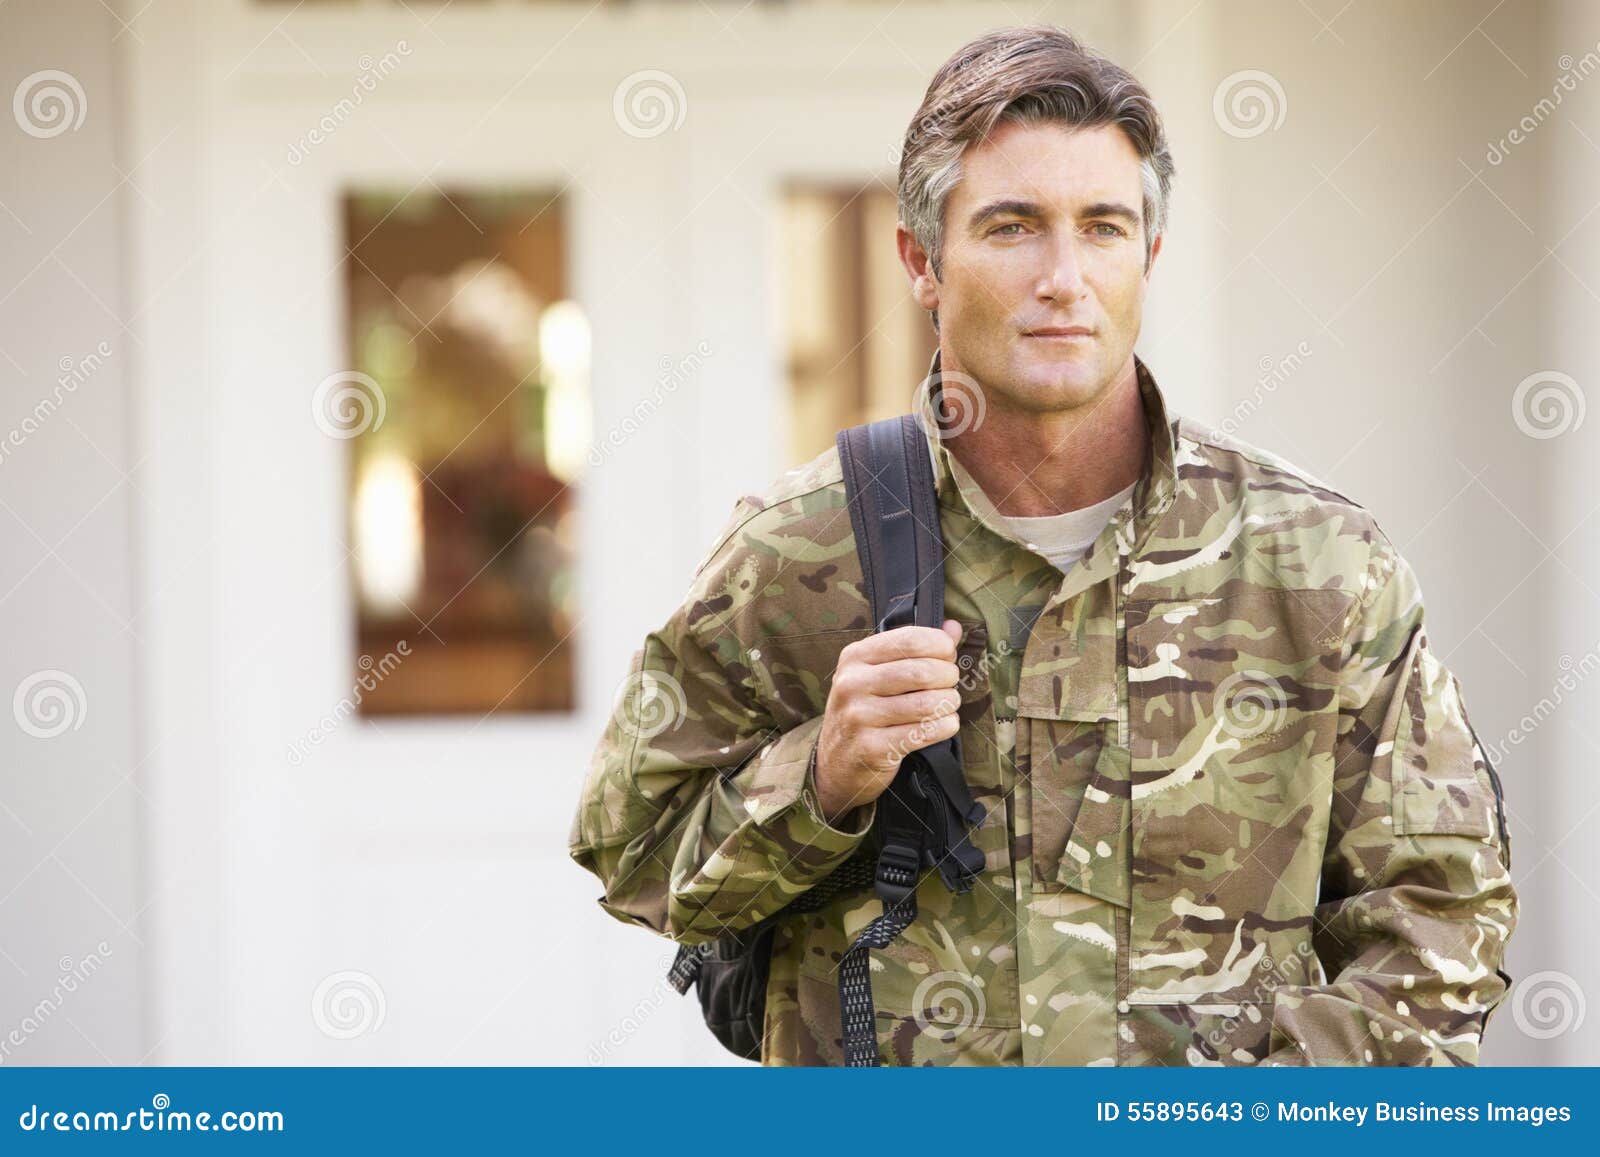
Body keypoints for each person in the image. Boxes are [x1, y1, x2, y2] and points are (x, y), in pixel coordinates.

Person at [569, 25, 1516, 1066]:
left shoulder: (1319, 564)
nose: (1063, 275)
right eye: (1013, 226)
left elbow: (1440, 919)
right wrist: (823, 777)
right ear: (922, 260)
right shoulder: (795, 550)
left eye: (1103, 227)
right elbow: (631, 853)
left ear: (1148, 254)